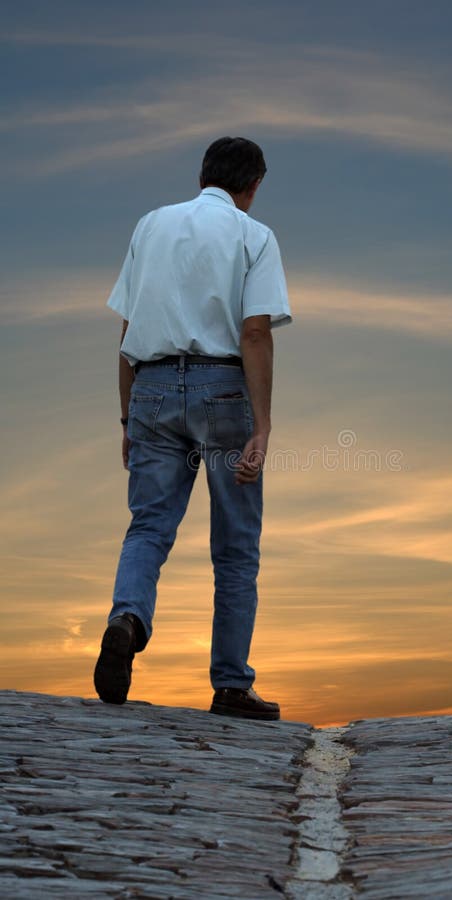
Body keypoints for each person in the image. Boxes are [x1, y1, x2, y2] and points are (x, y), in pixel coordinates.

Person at [93, 136, 292, 720]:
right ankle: (230, 684)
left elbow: (129, 327)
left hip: (151, 387)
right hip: (222, 389)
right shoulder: (253, 236)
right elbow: (254, 332)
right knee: (234, 548)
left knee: (148, 526)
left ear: (202, 174)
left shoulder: (150, 226)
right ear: (252, 186)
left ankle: (126, 618)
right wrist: (262, 427)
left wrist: (129, 416)